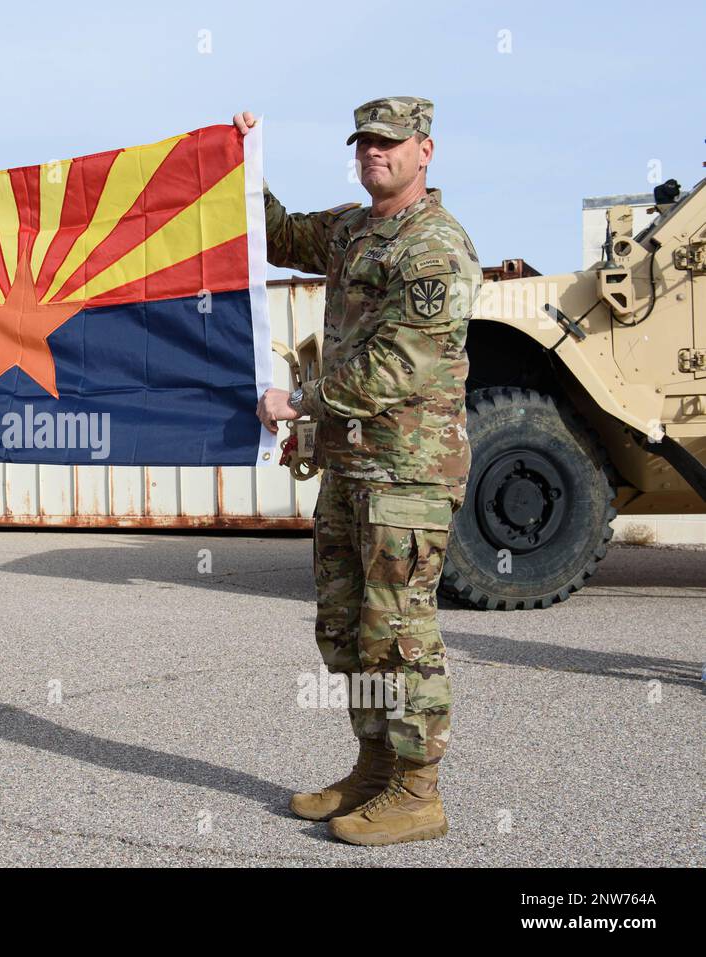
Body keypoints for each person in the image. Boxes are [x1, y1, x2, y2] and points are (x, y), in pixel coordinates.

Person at [235, 99, 481, 844]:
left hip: (407, 472)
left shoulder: (435, 247)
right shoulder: (351, 228)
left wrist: (298, 400)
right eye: (366, 143)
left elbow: (400, 364)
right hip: (350, 467)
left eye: (390, 143)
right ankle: (374, 768)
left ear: (425, 150)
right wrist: (242, 159)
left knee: (401, 629)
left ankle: (418, 790)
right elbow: (275, 234)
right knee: (349, 629)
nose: (375, 154)